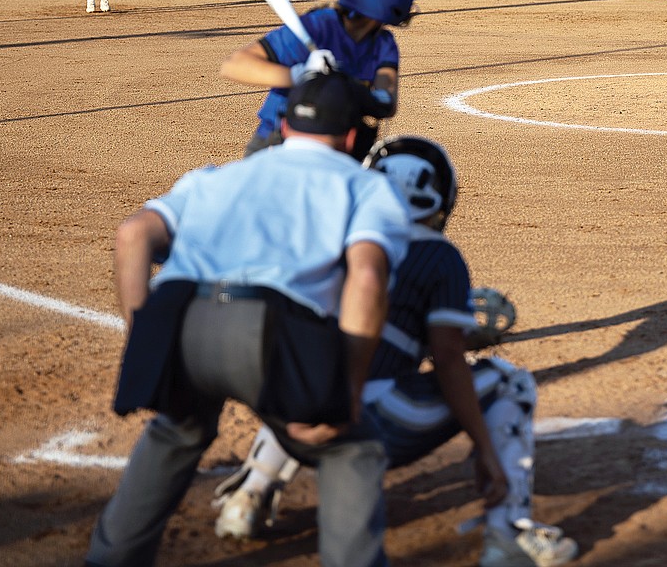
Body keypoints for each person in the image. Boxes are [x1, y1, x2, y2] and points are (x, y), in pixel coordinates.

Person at [85, 70, 413, 567]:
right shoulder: (366, 187)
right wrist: (345, 389)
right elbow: (366, 280)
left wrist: (145, 339)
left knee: (179, 427)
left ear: (284, 127)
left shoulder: (216, 176)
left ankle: (108, 561)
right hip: (268, 329)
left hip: (177, 318)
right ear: (353, 136)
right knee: (348, 447)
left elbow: (133, 235)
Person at [212, 135, 580, 567]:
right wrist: (482, 445)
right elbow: (445, 358)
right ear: (440, 198)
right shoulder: (439, 256)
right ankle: (507, 532)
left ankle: (248, 498)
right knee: (508, 383)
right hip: (375, 426)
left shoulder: (329, 236)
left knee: (311, 366)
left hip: (288, 417)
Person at [220, 0, 420, 159]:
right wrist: (302, 75)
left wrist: (339, 82)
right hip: (279, 145)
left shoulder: (383, 44)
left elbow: (385, 103)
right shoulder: (318, 27)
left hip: (339, 150)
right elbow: (234, 66)